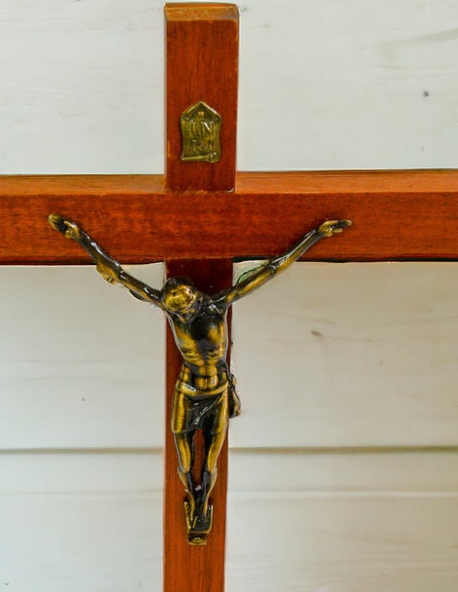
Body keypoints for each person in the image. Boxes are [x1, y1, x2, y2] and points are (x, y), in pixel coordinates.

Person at [48, 213, 351, 543]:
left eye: (184, 308)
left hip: (217, 391)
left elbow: (271, 269)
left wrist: (316, 236)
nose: (181, 314)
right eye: (175, 311)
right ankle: (192, 502)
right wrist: (80, 238)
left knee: (208, 463)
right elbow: (120, 275)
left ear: (194, 297)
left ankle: (201, 506)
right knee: (184, 459)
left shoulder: (217, 305)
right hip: (188, 391)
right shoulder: (171, 309)